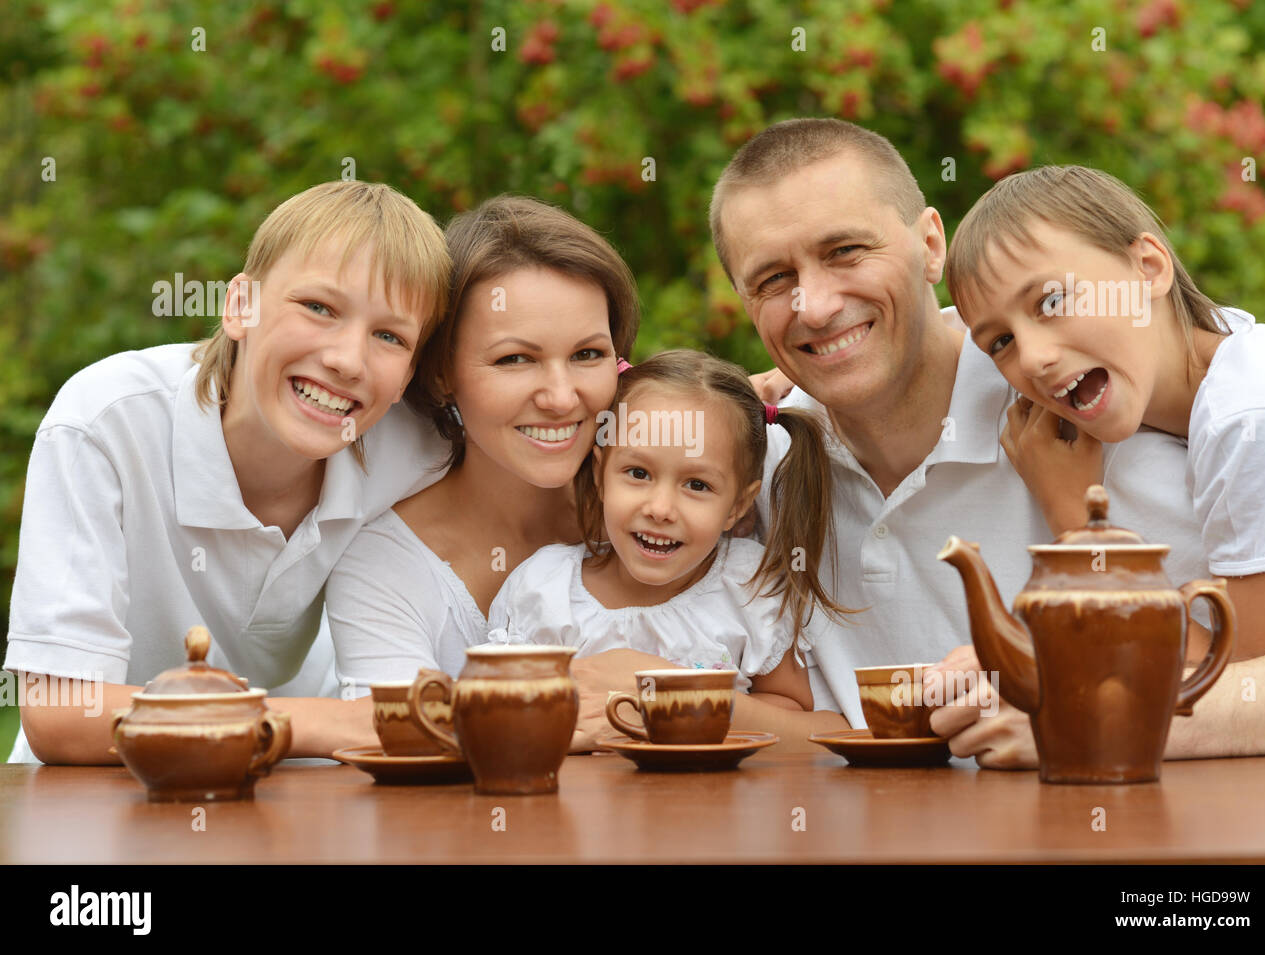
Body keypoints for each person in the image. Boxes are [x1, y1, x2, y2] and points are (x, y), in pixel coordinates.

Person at [710, 118, 1213, 756]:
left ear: (930, 246)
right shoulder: (756, 463)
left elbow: (1247, 684)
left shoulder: (1089, 420)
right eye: (773, 280)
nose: (814, 305)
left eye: (845, 251)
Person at [5, 180, 453, 763]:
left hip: (291, 803)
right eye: (318, 307)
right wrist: (332, 724)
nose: (347, 360)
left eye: (389, 336)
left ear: (409, 375)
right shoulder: (104, 424)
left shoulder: (420, 451)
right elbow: (63, 714)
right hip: (100, 796)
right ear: (240, 304)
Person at [931, 164, 1265, 766]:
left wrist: (1076, 529)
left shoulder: (1254, 417)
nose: (1036, 359)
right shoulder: (1172, 357)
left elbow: (1253, 689)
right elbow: (925, 338)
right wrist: (791, 385)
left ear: (1148, 268)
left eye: (1052, 300)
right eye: (1000, 343)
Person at [324, 195, 639, 688]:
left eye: (588, 354)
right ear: (442, 371)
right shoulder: (385, 562)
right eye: (514, 359)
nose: (560, 397)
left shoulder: (665, 515)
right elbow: (395, 737)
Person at [486, 349, 855, 715]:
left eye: (696, 484)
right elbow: (500, 709)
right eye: (638, 473)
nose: (660, 509)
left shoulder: (749, 589)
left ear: (738, 506)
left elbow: (789, 706)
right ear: (600, 475)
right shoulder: (544, 591)